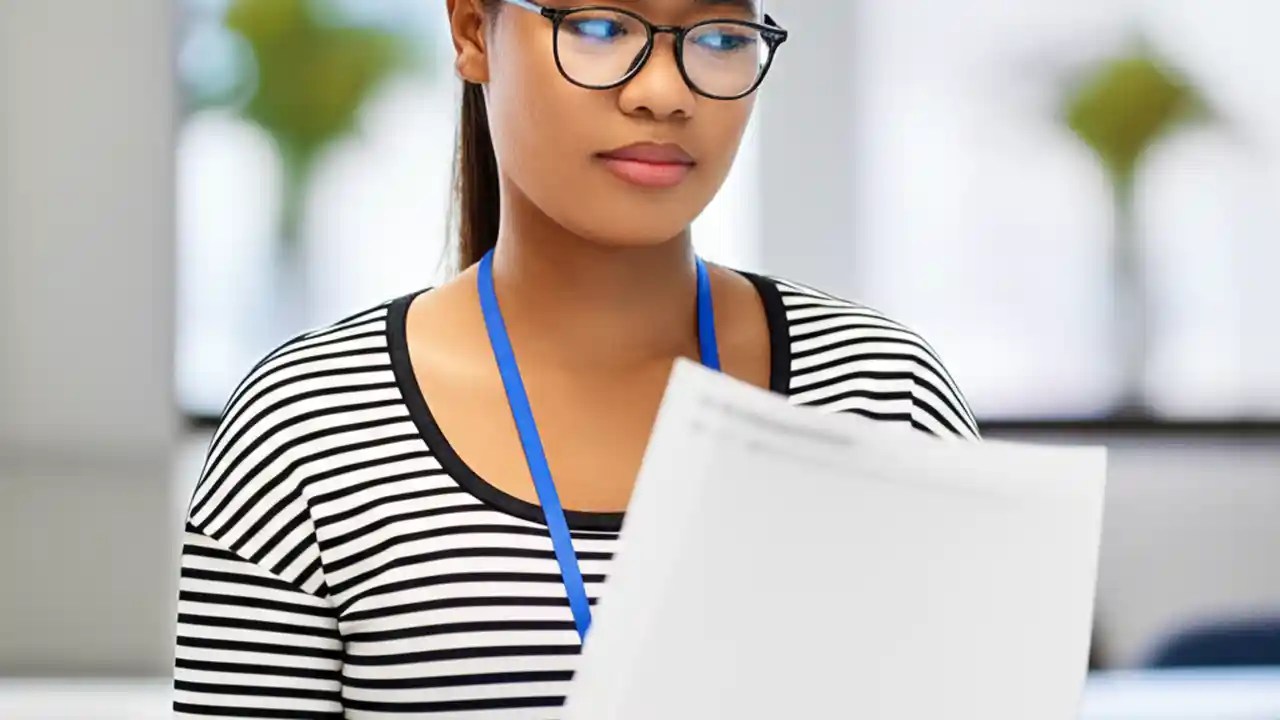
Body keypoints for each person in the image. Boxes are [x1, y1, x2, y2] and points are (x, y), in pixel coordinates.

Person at [172, 0, 980, 716]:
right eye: (599, 26)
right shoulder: (308, 428)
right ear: (470, 31)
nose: (665, 90)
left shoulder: (883, 397)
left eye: (721, 36)